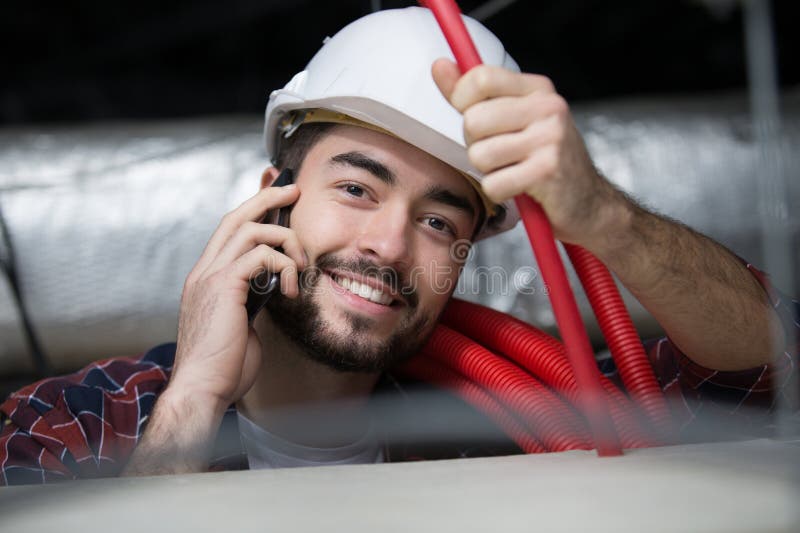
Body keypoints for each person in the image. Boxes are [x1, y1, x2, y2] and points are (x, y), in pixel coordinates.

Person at [1, 7, 797, 485]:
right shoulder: (70, 425)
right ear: (273, 194)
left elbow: (766, 369)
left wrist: (607, 217)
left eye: (438, 220)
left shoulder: (508, 419)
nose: (386, 244)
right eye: (357, 188)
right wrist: (192, 404)